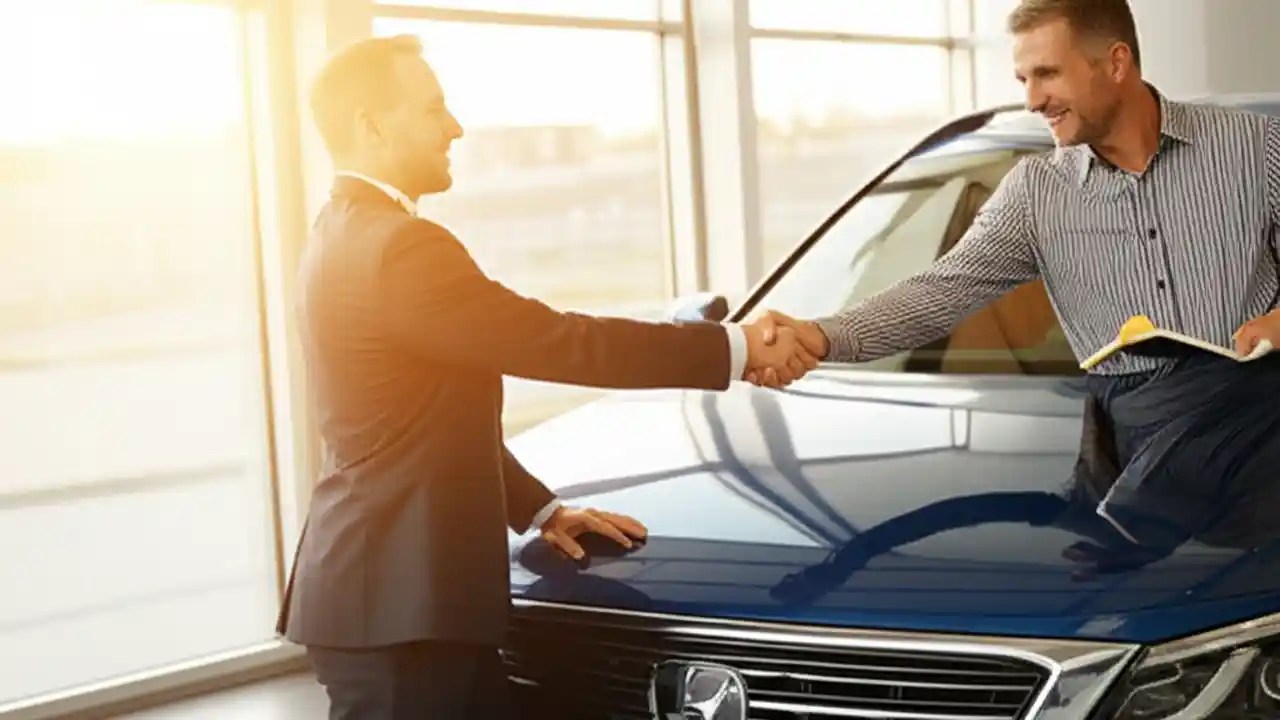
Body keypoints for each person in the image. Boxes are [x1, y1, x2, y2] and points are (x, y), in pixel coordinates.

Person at [274, 35, 817, 719]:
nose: (455, 126)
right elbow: (562, 342)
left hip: (396, 601)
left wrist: (540, 509)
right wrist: (735, 348)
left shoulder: (343, 233)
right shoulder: (400, 249)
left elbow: (420, 423)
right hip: (400, 612)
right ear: (371, 125)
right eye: (434, 108)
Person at [749, 0, 1280, 380]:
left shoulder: (1255, 146)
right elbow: (940, 290)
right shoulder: (1034, 194)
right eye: (1023, 79)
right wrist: (818, 335)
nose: (1033, 100)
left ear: (1116, 63)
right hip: (1131, 438)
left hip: (1259, 423)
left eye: (1047, 74)